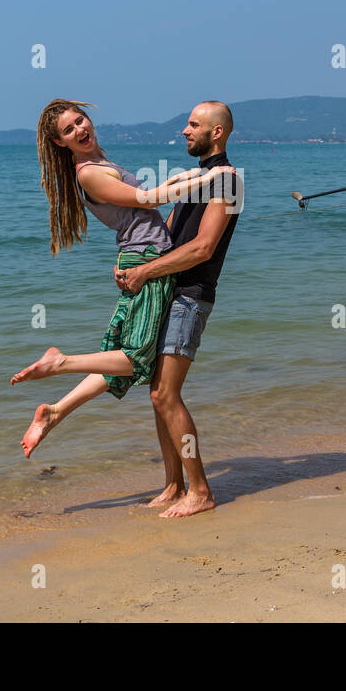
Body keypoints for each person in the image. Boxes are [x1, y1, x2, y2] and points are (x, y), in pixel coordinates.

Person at [13, 99, 233, 463]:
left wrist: (193, 178)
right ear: (59, 143)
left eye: (79, 121)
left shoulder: (102, 162)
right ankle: (60, 363)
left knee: (120, 354)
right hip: (146, 258)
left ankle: (56, 411)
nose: (79, 130)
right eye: (68, 131)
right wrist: (210, 179)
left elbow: (150, 204)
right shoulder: (88, 172)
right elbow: (147, 198)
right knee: (136, 360)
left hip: (143, 255)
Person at [113, 101, 241, 517]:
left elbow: (203, 248)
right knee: (156, 396)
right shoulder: (199, 178)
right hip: (170, 290)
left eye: (193, 125)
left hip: (191, 295)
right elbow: (167, 236)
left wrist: (147, 272)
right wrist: (132, 267)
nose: (185, 131)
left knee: (166, 394)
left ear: (216, 132)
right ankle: (173, 484)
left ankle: (200, 491)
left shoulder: (227, 181)